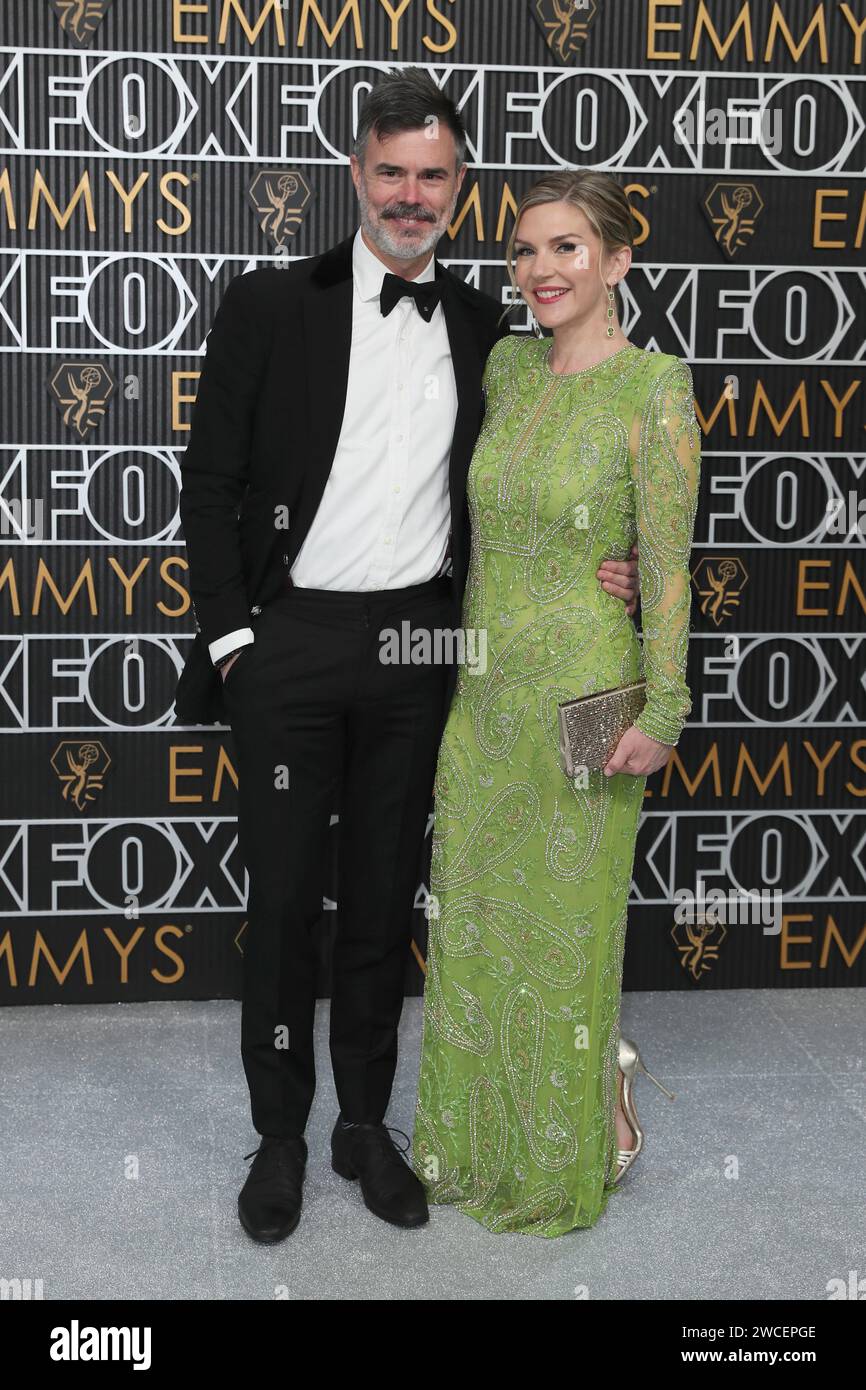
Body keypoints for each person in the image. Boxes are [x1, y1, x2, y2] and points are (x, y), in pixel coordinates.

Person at [175, 69, 639, 1243]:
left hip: (419, 645)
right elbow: (211, 484)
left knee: (384, 897)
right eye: (391, 171)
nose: (411, 194)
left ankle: (363, 1126)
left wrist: (603, 563)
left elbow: (549, 473)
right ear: (356, 174)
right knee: (284, 906)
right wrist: (235, 641)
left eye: (434, 175)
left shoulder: (494, 332)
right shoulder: (268, 304)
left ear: (459, 186)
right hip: (285, 644)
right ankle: (279, 1136)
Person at [411, 168, 701, 1237]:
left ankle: (577, 1133)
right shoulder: (504, 367)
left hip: (588, 693)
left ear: (617, 260)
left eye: (565, 248)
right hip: (483, 698)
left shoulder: (655, 388)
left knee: (565, 930)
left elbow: (664, 569)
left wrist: (660, 711)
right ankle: (476, 1141)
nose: (538, 270)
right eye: (524, 251)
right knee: (478, 926)